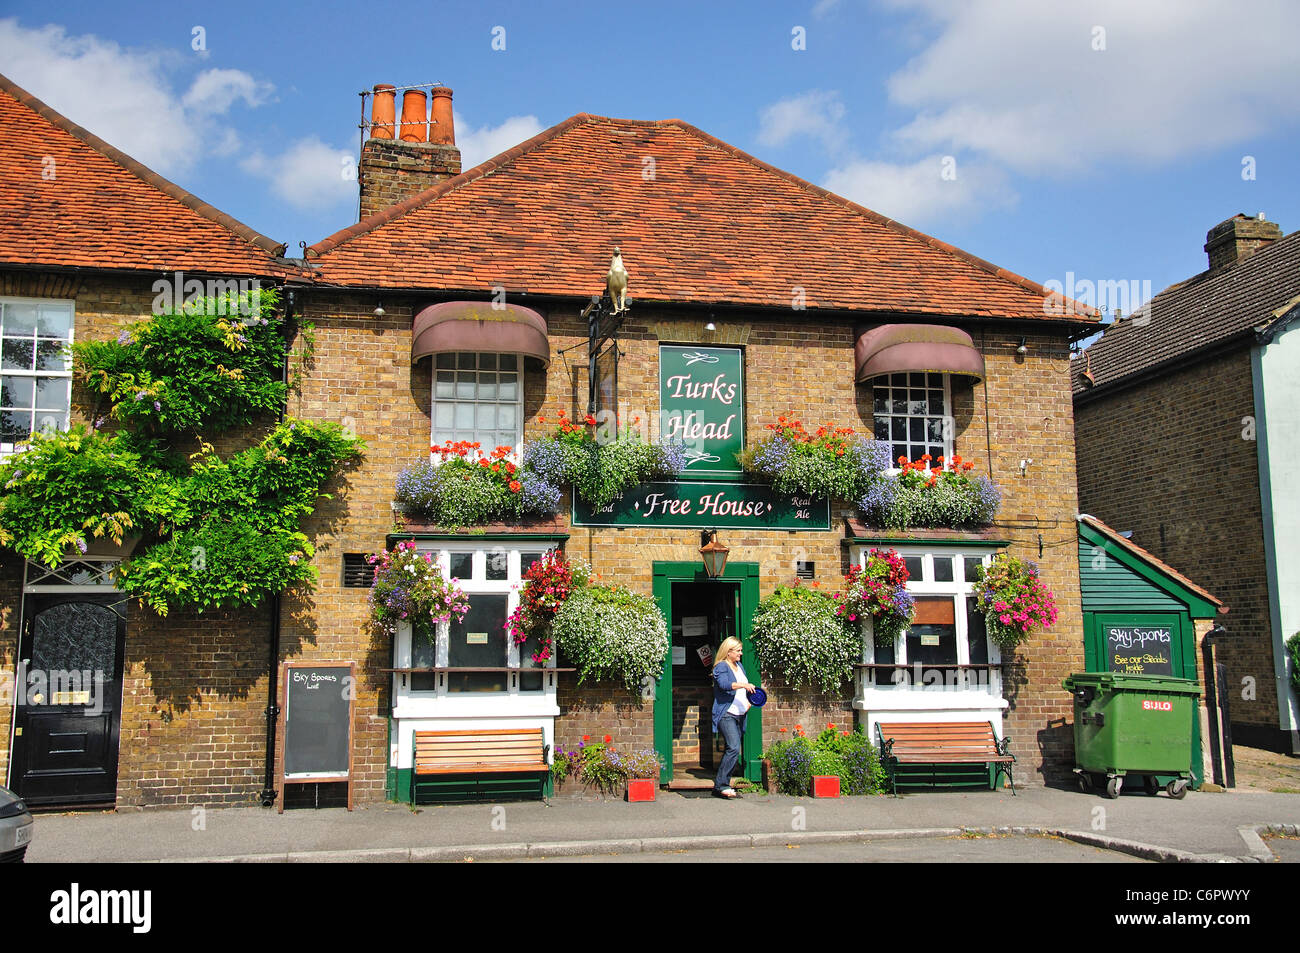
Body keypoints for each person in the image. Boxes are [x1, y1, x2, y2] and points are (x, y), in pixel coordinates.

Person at [710, 636, 756, 799]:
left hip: (740, 714)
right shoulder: (721, 667)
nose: (741, 653)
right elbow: (724, 685)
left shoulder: (739, 666)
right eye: (738, 651)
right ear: (728, 652)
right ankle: (721, 785)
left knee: (733, 747)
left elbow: (744, 690)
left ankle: (723, 783)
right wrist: (743, 685)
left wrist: (748, 702)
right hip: (727, 714)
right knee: (734, 747)